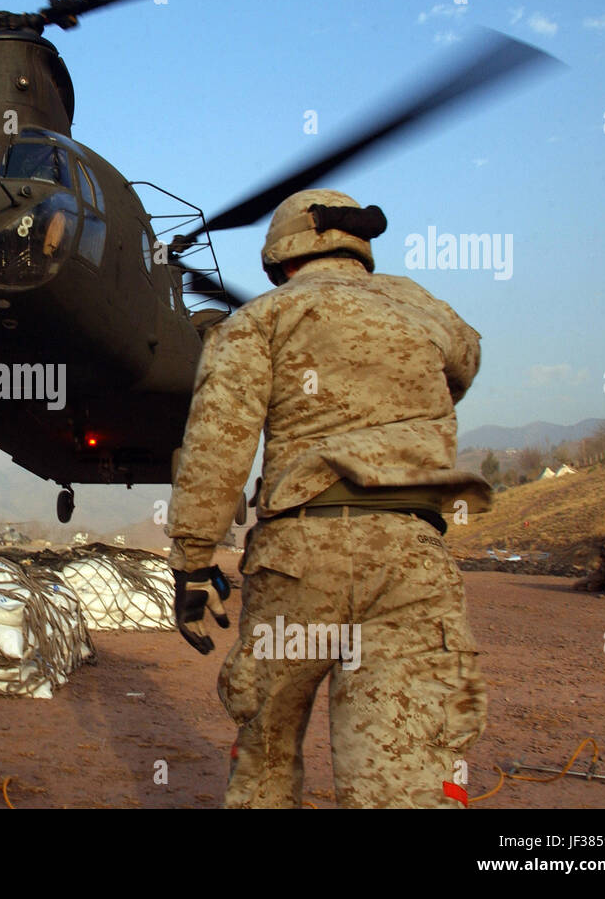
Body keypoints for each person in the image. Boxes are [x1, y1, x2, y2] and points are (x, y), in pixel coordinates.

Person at [166, 189, 492, 808]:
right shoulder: (424, 310)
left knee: (266, 749)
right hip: (411, 558)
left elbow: (217, 447)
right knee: (407, 771)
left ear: (280, 259)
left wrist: (193, 558)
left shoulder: (259, 320)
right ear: (359, 250)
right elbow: (465, 364)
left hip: (300, 559)